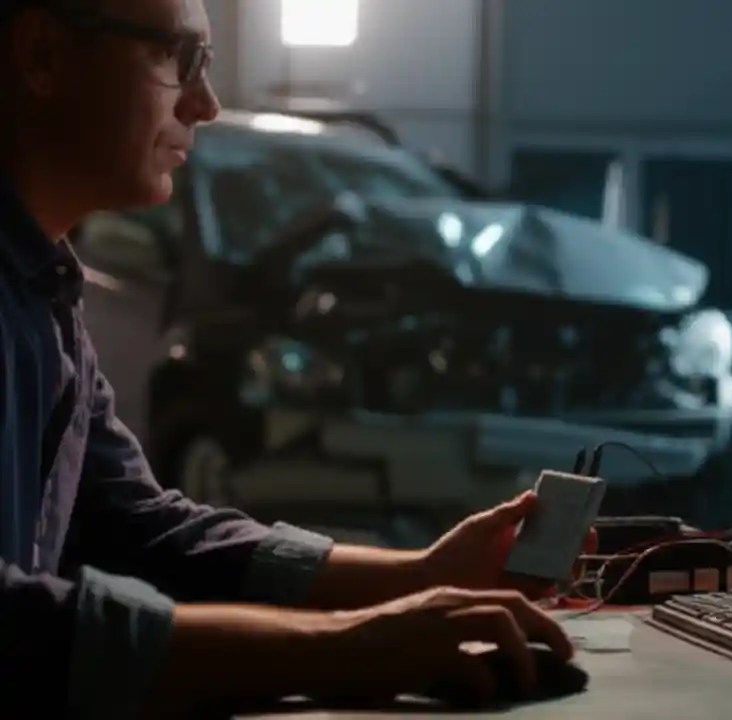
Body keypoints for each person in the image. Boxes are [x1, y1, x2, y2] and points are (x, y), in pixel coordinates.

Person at [0, 0, 593, 716]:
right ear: (41, 54)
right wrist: (343, 648)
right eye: (176, 57)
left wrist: (419, 574)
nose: (207, 104)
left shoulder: (42, 291)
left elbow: (133, 527)